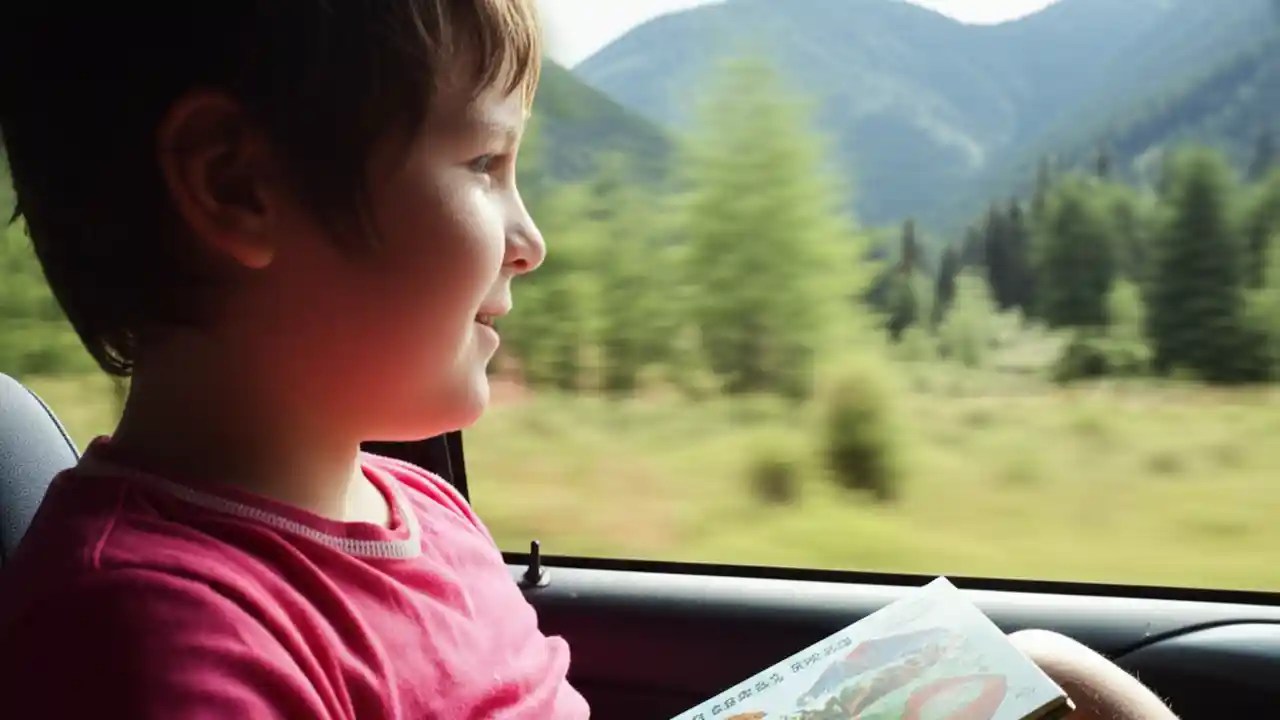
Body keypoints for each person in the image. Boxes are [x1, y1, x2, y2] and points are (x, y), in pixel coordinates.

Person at [0, 3, 1176, 718]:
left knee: (1039, 669)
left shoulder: (420, 510)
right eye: (482, 167)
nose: (531, 241)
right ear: (235, 186)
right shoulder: (146, 630)